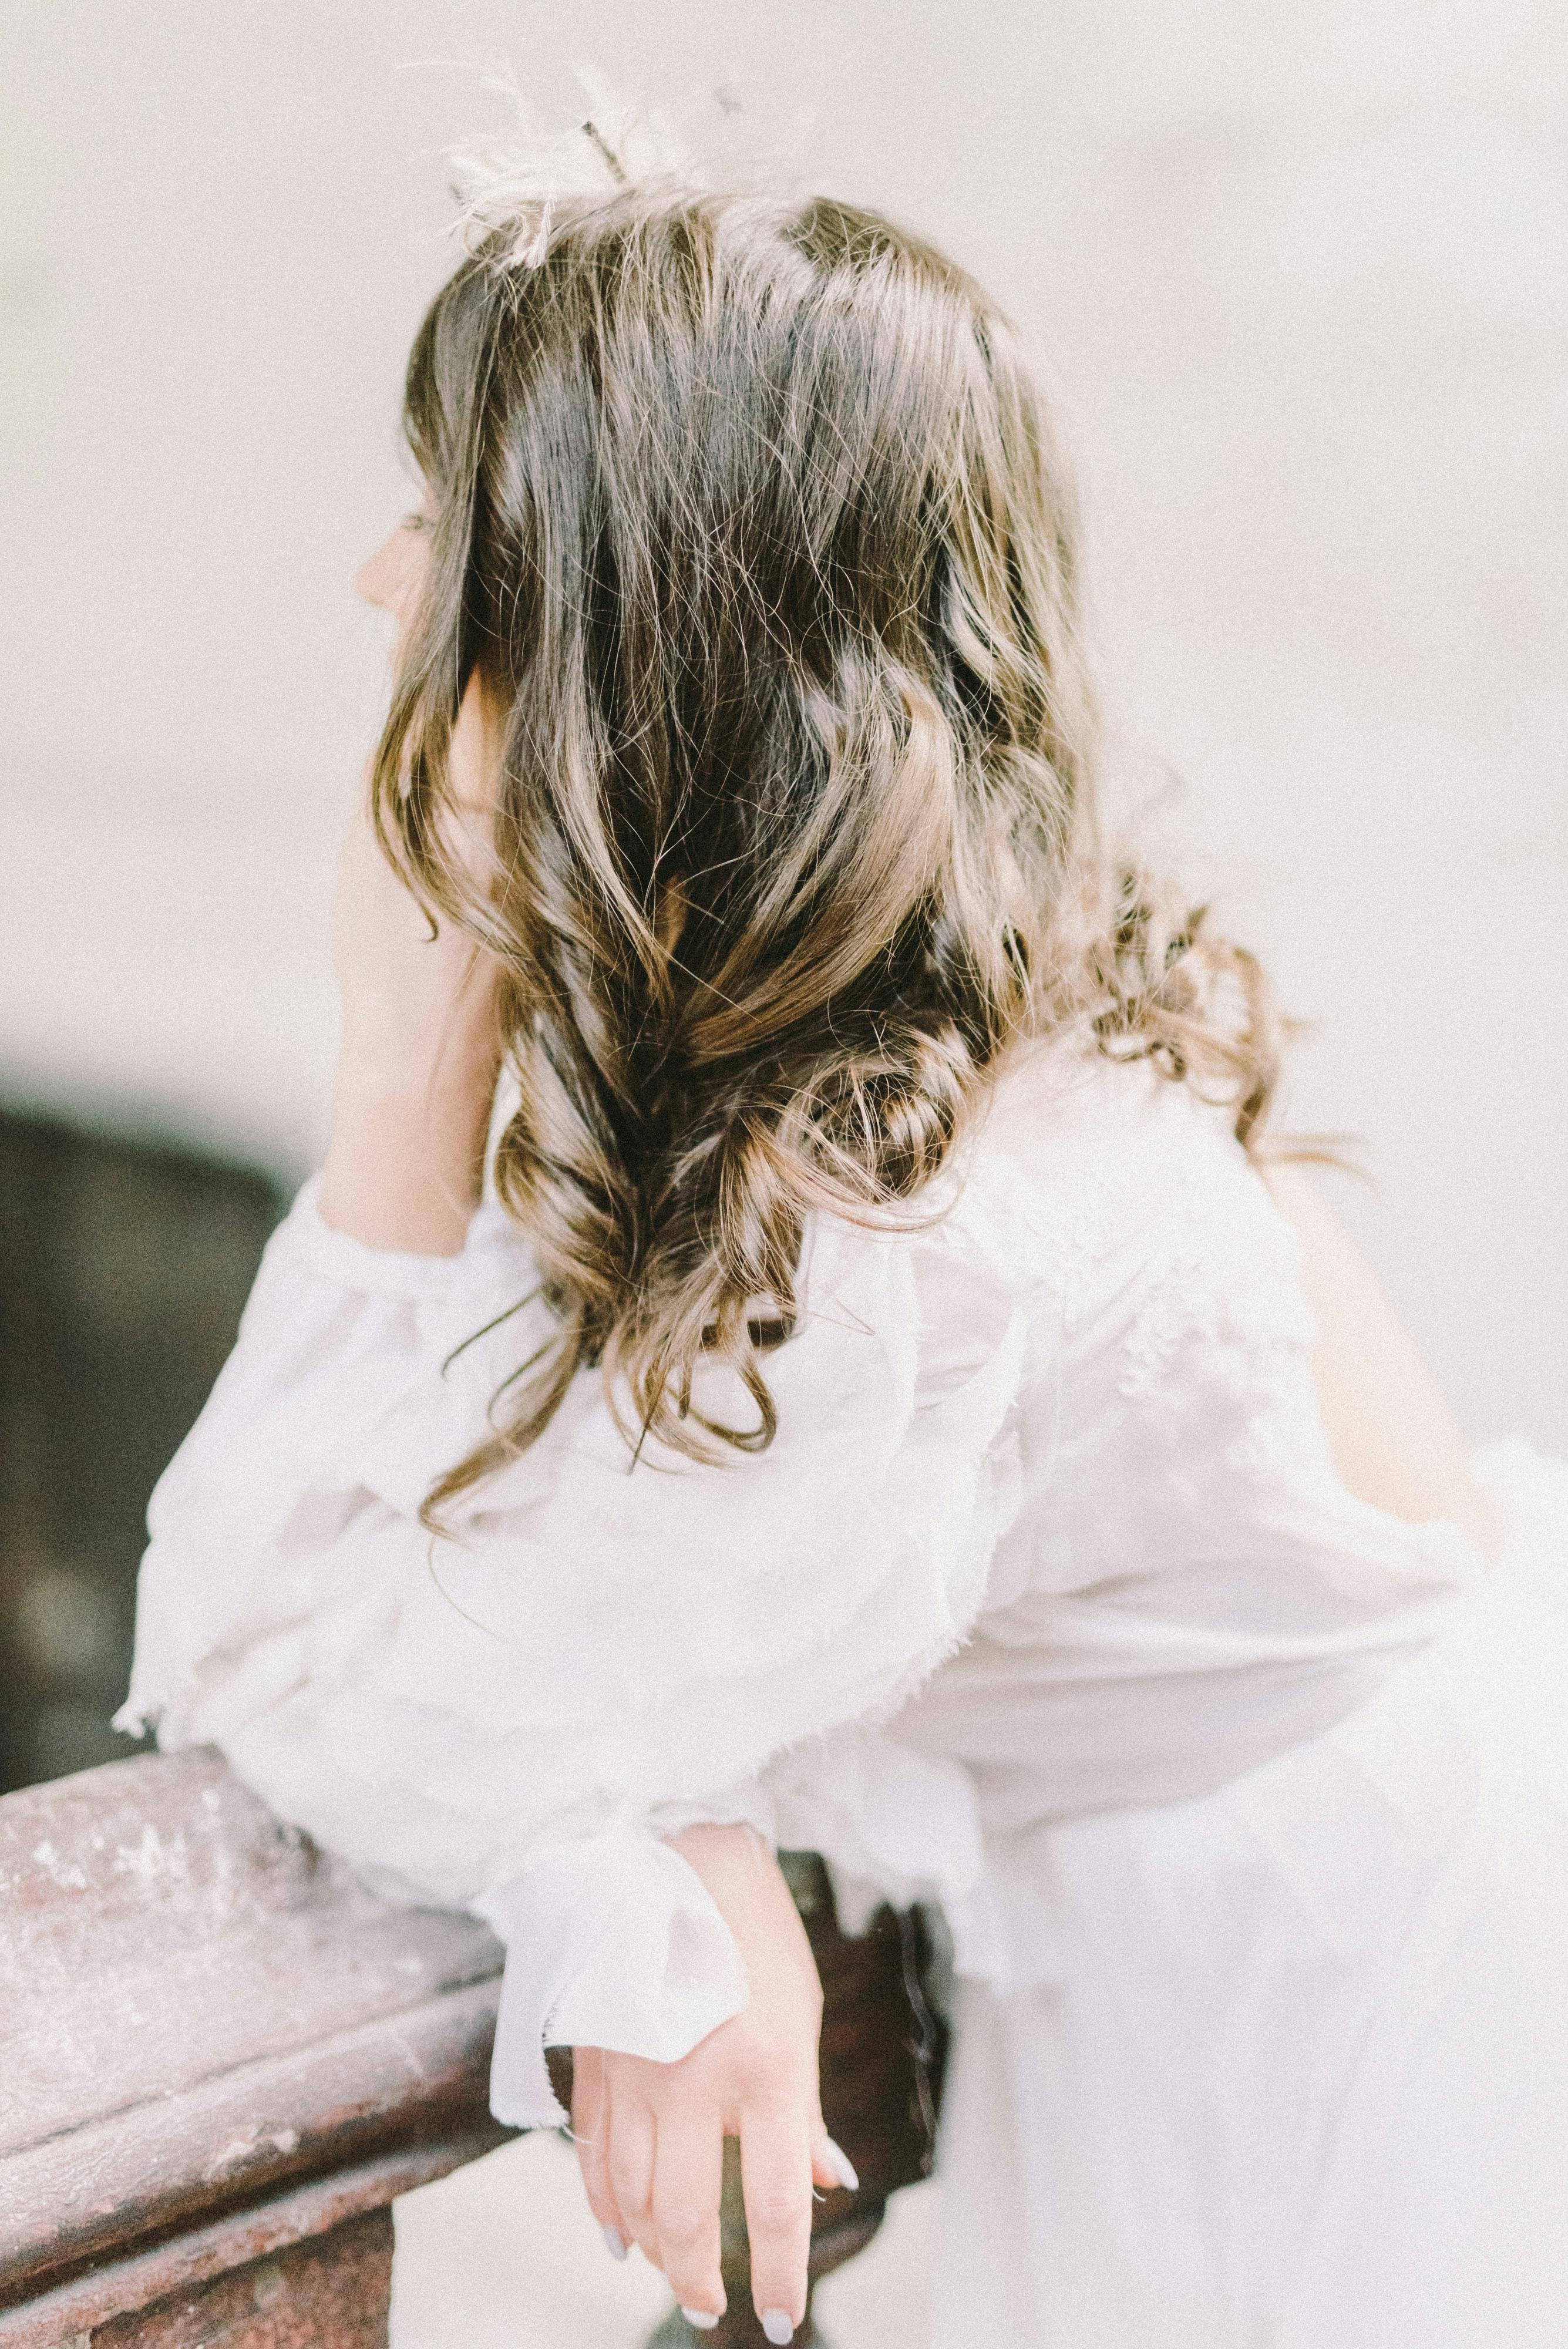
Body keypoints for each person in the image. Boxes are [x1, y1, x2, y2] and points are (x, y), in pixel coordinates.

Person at [117, 161, 1568, 2349]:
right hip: (1263, 1978)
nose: (380, 581)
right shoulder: (908, 1069)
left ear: (646, 665)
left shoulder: (951, 1238)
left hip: (1358, 2062)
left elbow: (256, 1659)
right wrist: (656, 1821)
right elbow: (473, 1621)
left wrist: (404, 1065)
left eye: (463, 537)